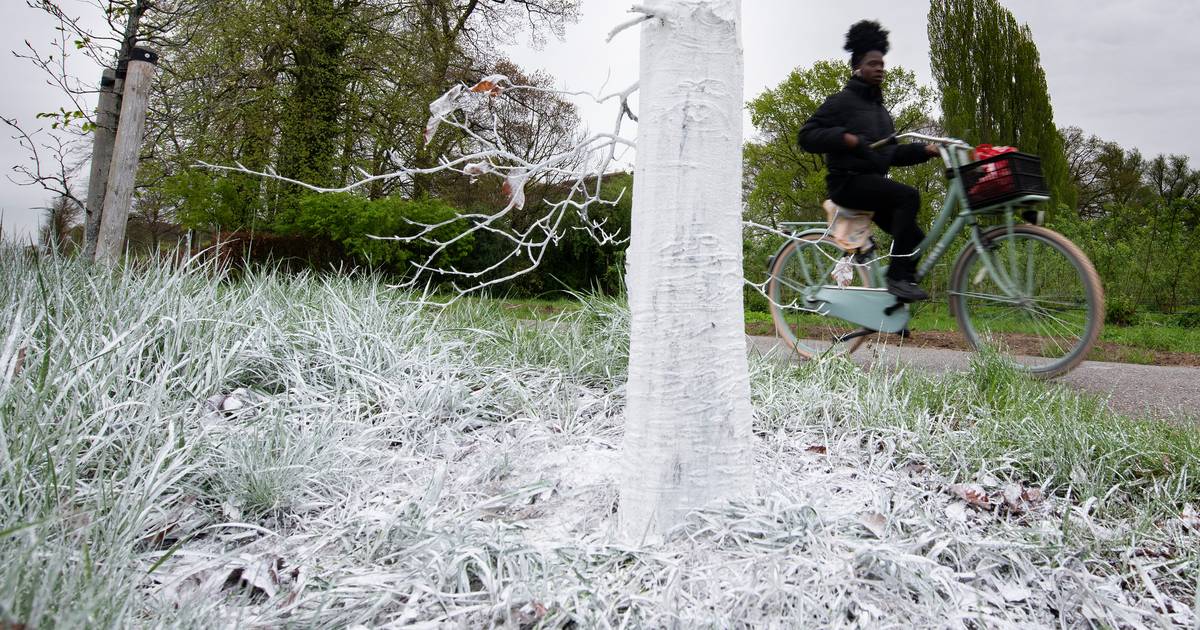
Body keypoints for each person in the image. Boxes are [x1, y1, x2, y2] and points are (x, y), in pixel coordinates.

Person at [798, 20, 940, 302]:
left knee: (913, 237)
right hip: (846, 182)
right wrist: (846, 139)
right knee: (908, 196)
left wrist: (925, 151)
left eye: (882, 64)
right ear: (858, 67)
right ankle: (897, 279)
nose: (880, 68)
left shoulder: (881, 113)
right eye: (873, 63)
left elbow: (891, 154)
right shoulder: (840, 102)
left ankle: (892, 312)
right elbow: (807, 136)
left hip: (870, 185)